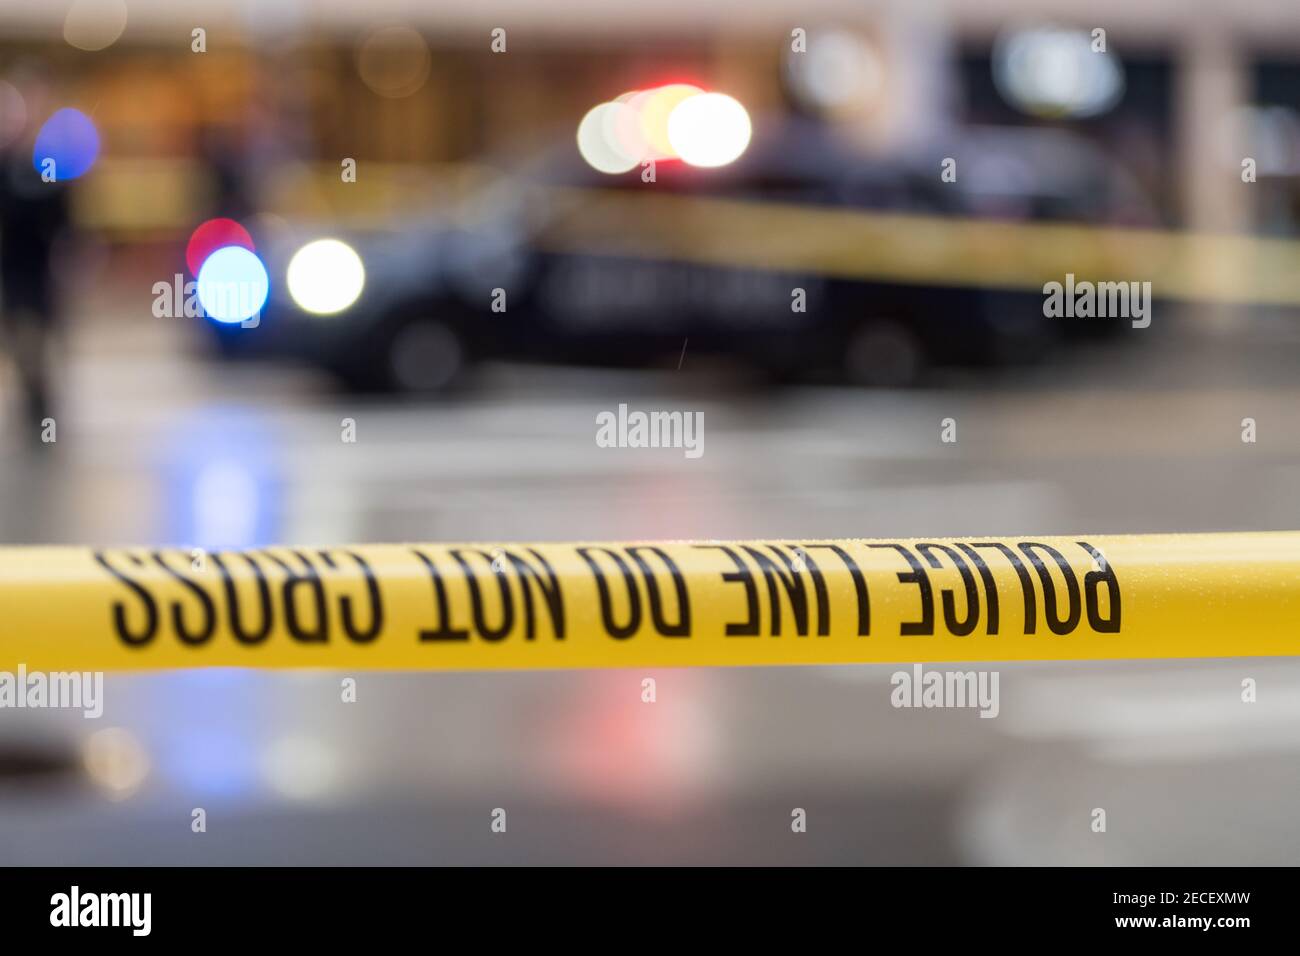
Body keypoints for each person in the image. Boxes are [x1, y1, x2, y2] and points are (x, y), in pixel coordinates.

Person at [0, 71, 70, 442]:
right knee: (23, 344)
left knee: (37, 345)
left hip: (39, 275)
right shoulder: (8, 167)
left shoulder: (47, 167)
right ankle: (35, 410)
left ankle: (41, 413)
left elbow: (62, 219)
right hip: (14, 274)